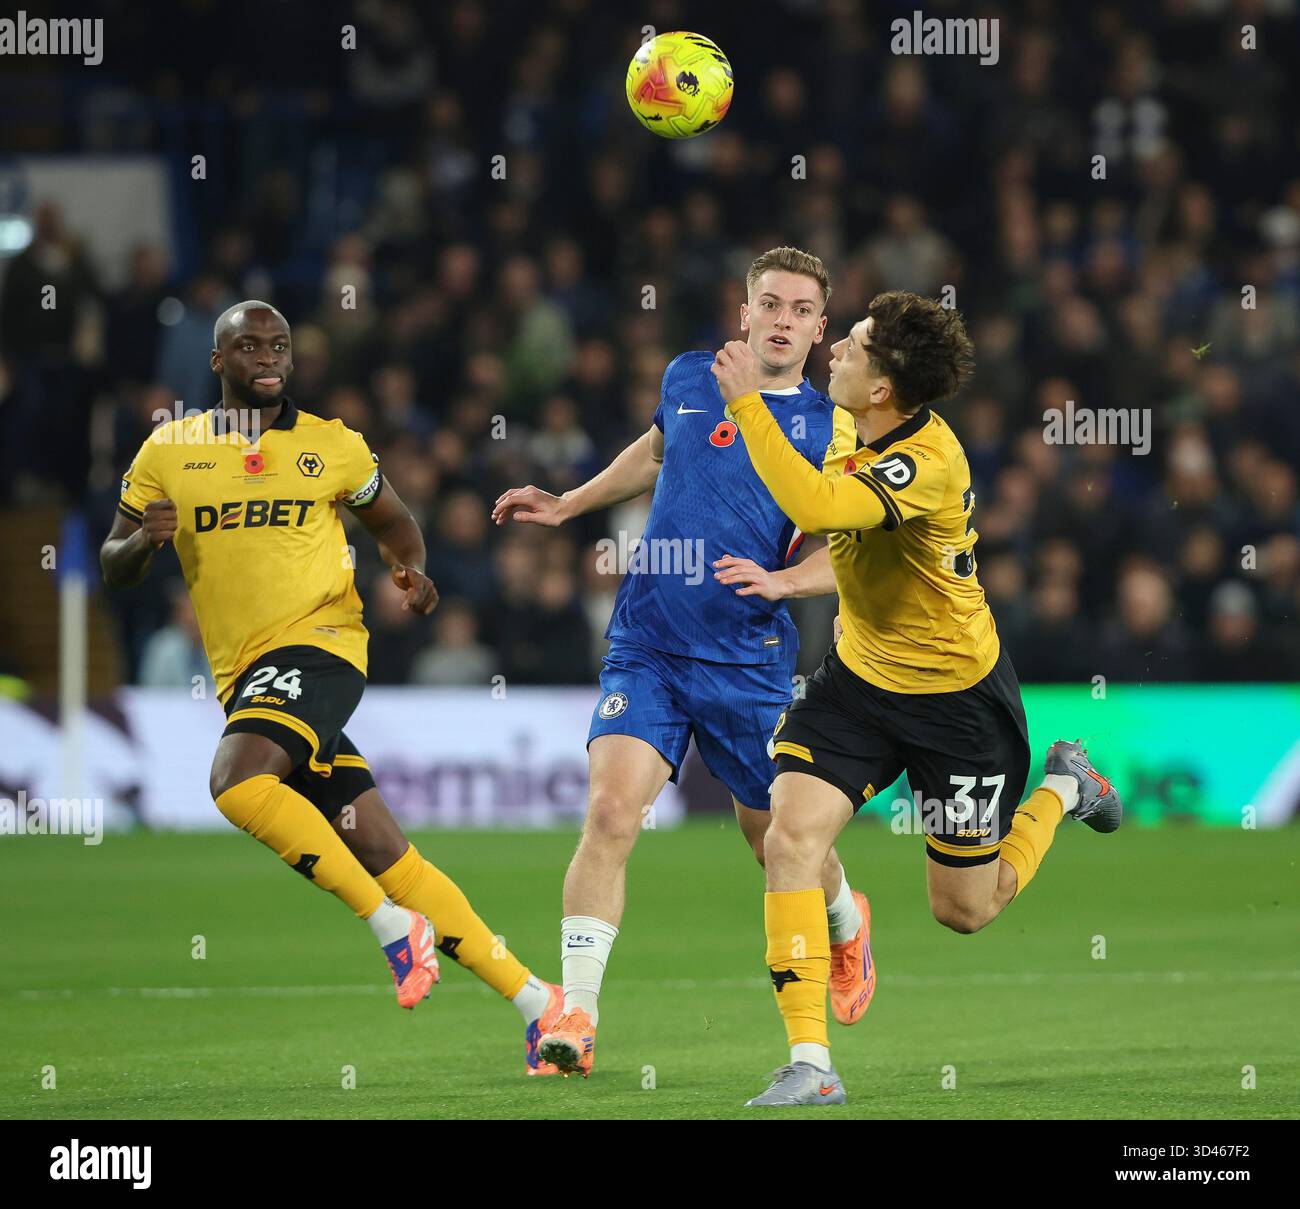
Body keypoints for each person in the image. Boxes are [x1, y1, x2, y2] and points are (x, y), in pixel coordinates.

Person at [101, 301, 563, 1075]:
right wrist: (141, 541)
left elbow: (395, 521)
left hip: (324, 645)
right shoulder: (168, 450)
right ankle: (540, 1005)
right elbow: (116, 560)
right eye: (248, 346)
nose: (267, 356)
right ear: (218, 362)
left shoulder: (332, 446)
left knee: (237, 779)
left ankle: (392, 929)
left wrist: (408, 569)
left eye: (278, 344)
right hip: (248, 677)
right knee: (380, 844)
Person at [711, 290, 1123, 1107]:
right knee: (786, 836)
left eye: (855, 345)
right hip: (859, 684)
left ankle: (1067, 783)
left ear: (883, 390)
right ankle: (809, 1061)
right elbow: (841, 533)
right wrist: (792, 576)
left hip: (956, 704)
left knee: (965, 909)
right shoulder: (850, 427)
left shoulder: (927, 462)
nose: (838, 351)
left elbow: (821, 505)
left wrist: (748, 406)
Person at [492, 248, 876, 1077]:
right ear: (744, 313)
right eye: (768, 302)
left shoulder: (831, 427)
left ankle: (847, 920)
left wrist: (782, 579)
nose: (781, 318)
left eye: (800, 308)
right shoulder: (690, 376)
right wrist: (568, 502)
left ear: (819, 326)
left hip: (748, 659)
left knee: (775, 837)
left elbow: (851, 552)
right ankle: (576, 1016)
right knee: (609, 814)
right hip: (650, 643)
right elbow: (659, 449)